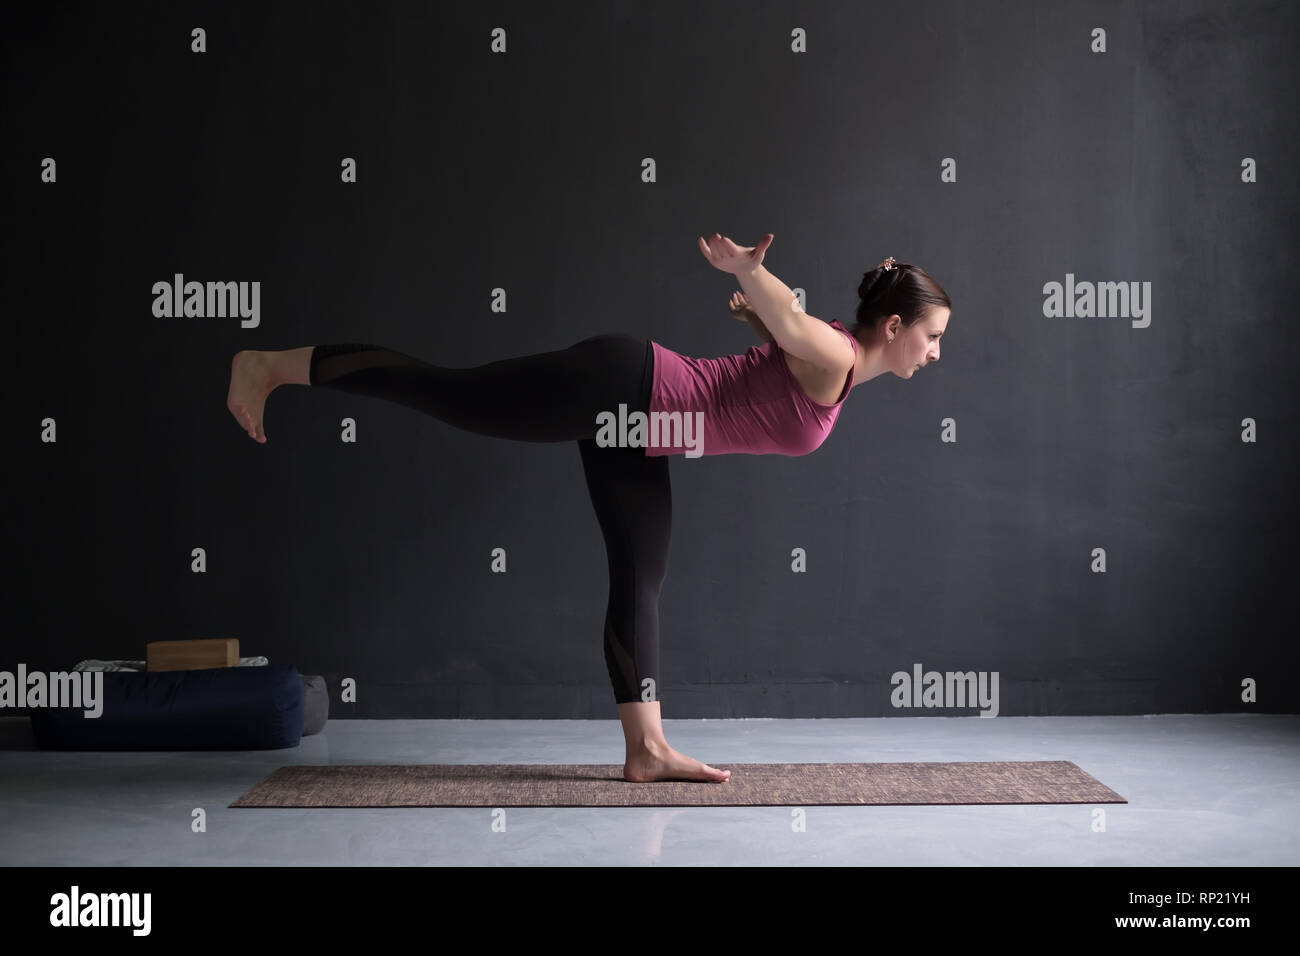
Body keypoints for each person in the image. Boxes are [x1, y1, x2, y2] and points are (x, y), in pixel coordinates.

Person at [226, 233, 952, 783]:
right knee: (448, 391)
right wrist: (749, 274)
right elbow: (795, 327)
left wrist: (754, 314)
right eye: (934, 336)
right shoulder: (832, 352)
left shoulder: (834, 363)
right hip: (626, 387)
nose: (936, 352)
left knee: (642, 574)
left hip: (644, 429)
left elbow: (781, 344)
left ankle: (647, 748)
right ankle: (268, 365)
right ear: (895, 326)